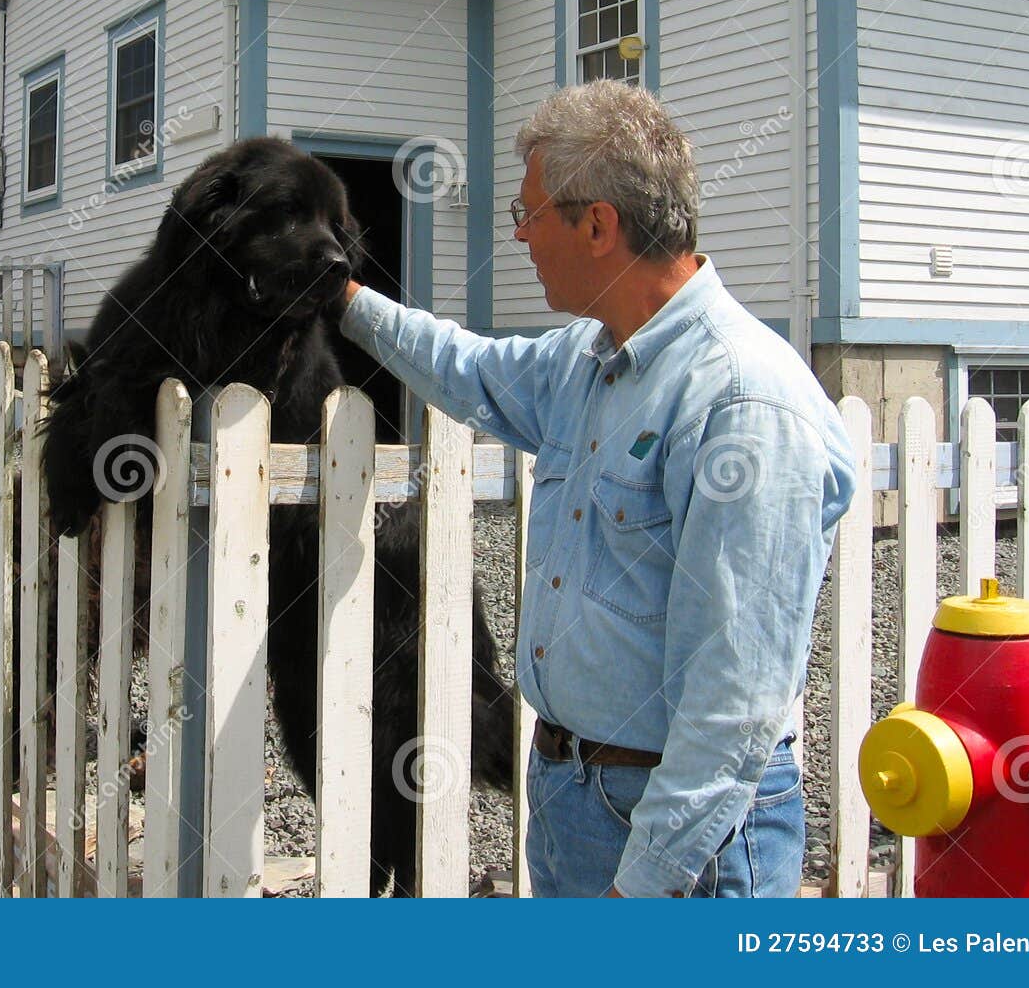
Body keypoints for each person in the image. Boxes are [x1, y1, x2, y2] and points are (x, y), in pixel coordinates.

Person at [337, 80, 857, 897]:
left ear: (598, 224)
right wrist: (347, 301)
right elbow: (468, 369)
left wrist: (644, 883)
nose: (518, 237)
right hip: (571, 793)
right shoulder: (587, 357)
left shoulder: (742, 404)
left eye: (528, 214)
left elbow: (736, 695)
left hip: (684, 842)